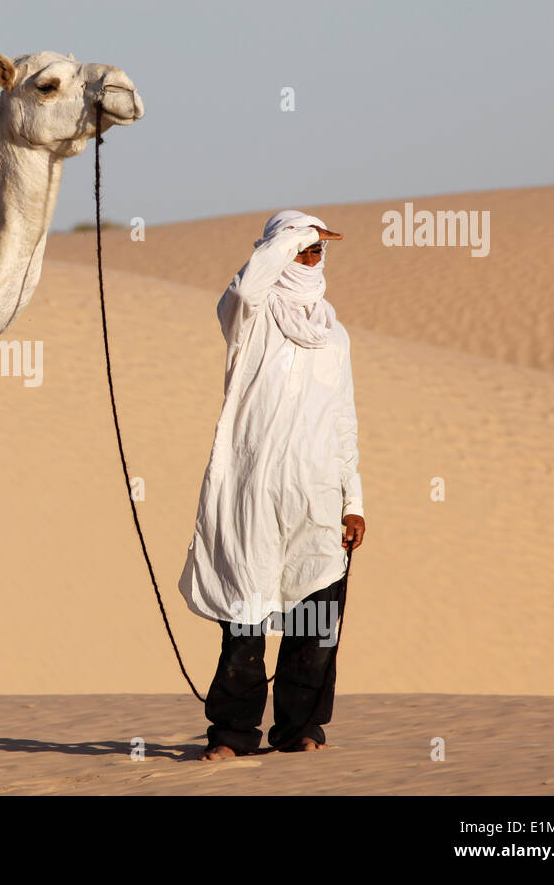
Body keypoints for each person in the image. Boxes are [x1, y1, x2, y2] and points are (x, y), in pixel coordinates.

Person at [179, 209, 366, 759]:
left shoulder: (335, 335)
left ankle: (301, 730)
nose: (311, 254)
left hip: (317, 499)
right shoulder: (249, 317)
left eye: (316, 248)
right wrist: (287, 240)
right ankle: (232, 734)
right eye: (300, 247)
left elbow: (343, 422)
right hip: (252, 495)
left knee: (314, 622)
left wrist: (354, 501)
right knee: (246, 616)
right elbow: (246, 288)